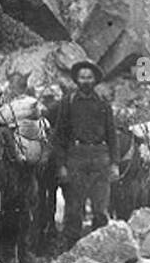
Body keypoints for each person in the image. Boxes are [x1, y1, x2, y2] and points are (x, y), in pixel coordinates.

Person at [50, 57, 119, 243]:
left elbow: (112, 135)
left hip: (100, 159)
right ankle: (71, 250)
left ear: (94, 80)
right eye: (82, 77)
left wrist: (114, 164)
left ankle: (101, 250)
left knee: (100, 209)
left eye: (89, 77)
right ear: (76, 80)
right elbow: (60, 136)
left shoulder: (103, 103)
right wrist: (61, 166)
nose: (86, 81)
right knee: (74, 208)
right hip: (76, 159)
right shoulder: (68, 102)